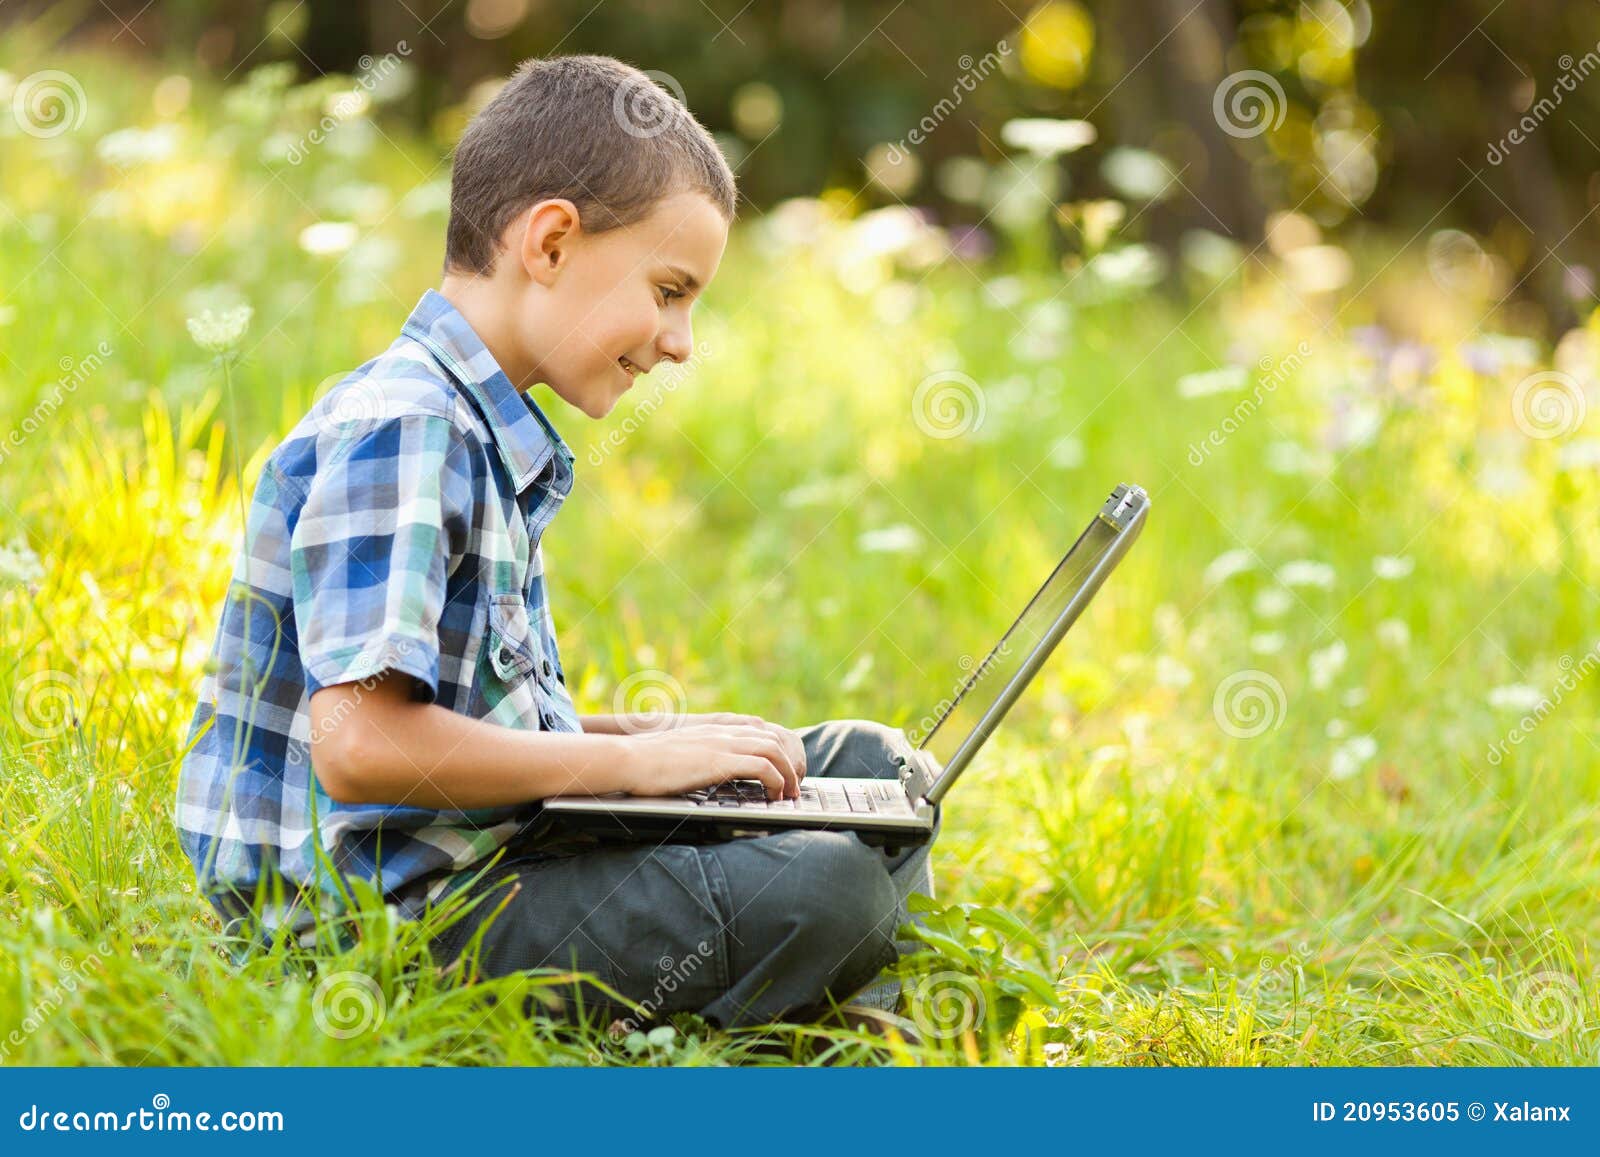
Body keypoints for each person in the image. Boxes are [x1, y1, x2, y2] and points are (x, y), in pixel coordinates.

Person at [173, 54, 938, 1032]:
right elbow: (360, 745)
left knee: (875, 768)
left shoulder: (477, 431)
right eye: (669, 290)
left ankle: (850, 1001)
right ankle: (833, 1006)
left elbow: (464, 723)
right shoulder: (406, 425)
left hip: (488, 856)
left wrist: (648, 740)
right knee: (833, 885)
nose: (681, 341)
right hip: (390, 924)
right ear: (550, 243)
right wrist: (628, 770)